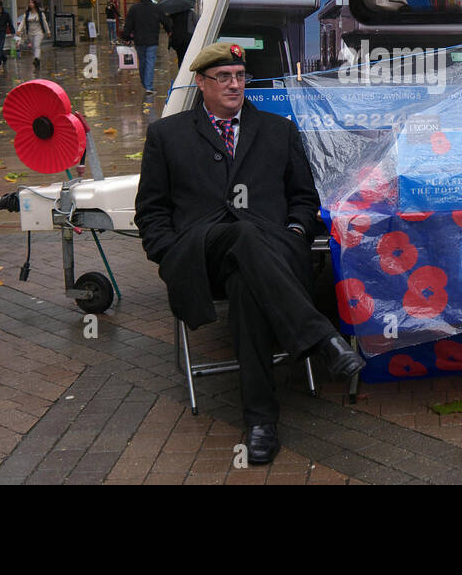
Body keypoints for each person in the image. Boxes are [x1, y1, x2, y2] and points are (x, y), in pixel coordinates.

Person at [135, 42, 363, 464]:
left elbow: (303, 197)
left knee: (247, 280)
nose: (234, 85)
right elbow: (150, 212)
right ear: (201, 82)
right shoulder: (167, 135)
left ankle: (261, 421)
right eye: (223, 77)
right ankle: (321, 338)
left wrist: (295, 231)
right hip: (202, 256)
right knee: (240, 238)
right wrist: (169, 254)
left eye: (240, 77)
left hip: (272, 254)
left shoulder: (278, 130)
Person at [120, 0, 170, 94]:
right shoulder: (156, 8)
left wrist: (126, 37)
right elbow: (166, 21)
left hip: (139, 40)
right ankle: (149, 86)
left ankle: (145, 82)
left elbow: (128, 24)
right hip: (152, 40)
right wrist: (170, 31)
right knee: (150, 61)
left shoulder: (134, 8)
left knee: (142, 61)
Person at [16, 0, 49, 69]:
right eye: (29, 3)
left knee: (37, 45)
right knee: (33, 47)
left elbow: (45, 23)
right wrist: (19, 30)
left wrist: (48, 31)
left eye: (32, 3)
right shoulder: (27, 14)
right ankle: (37, 60)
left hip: (39, 32)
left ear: (35, 4)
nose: (30, 4)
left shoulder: (40, 14)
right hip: (30, 33)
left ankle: (36, 58)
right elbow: (23, 22)